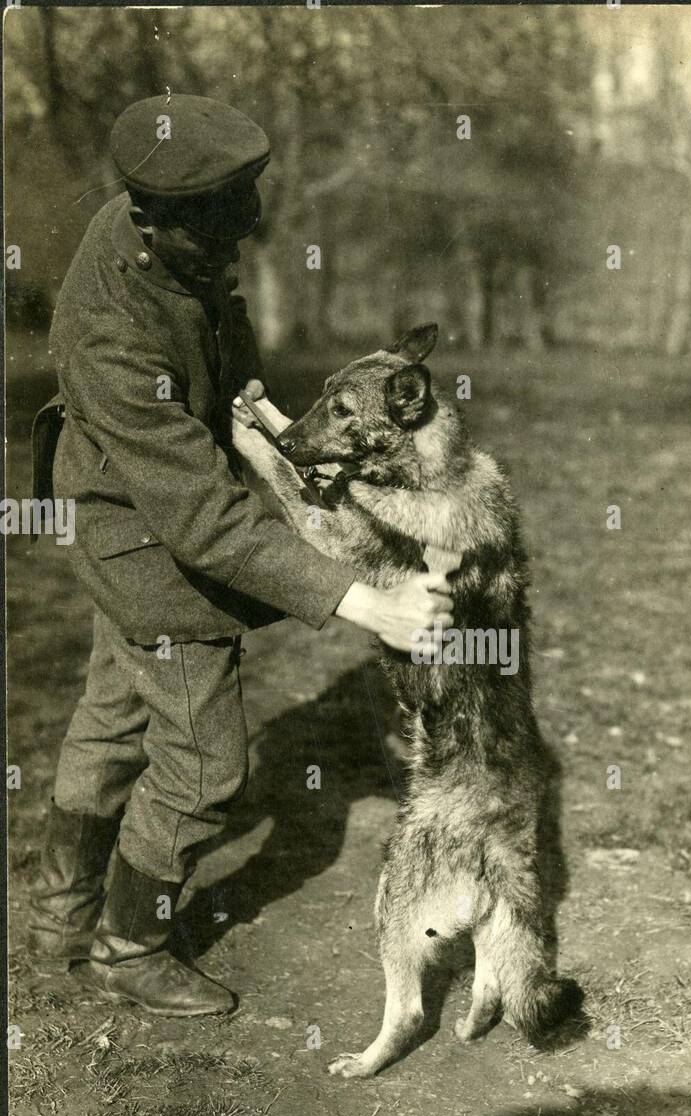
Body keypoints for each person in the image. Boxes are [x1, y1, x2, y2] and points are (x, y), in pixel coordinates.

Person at [26, 95, 452, 1017]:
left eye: (242, 216)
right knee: (205, 764)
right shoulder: (109, 331)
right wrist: (366, 602)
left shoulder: (165, 227)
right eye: (217, 229)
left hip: (134, 498)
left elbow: (212, 306)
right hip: (138, 528)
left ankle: (61, 917)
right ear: (152, 217)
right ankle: (129, 948)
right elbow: (206, 522)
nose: (238, 241)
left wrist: (240, 380)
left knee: (113, 717)